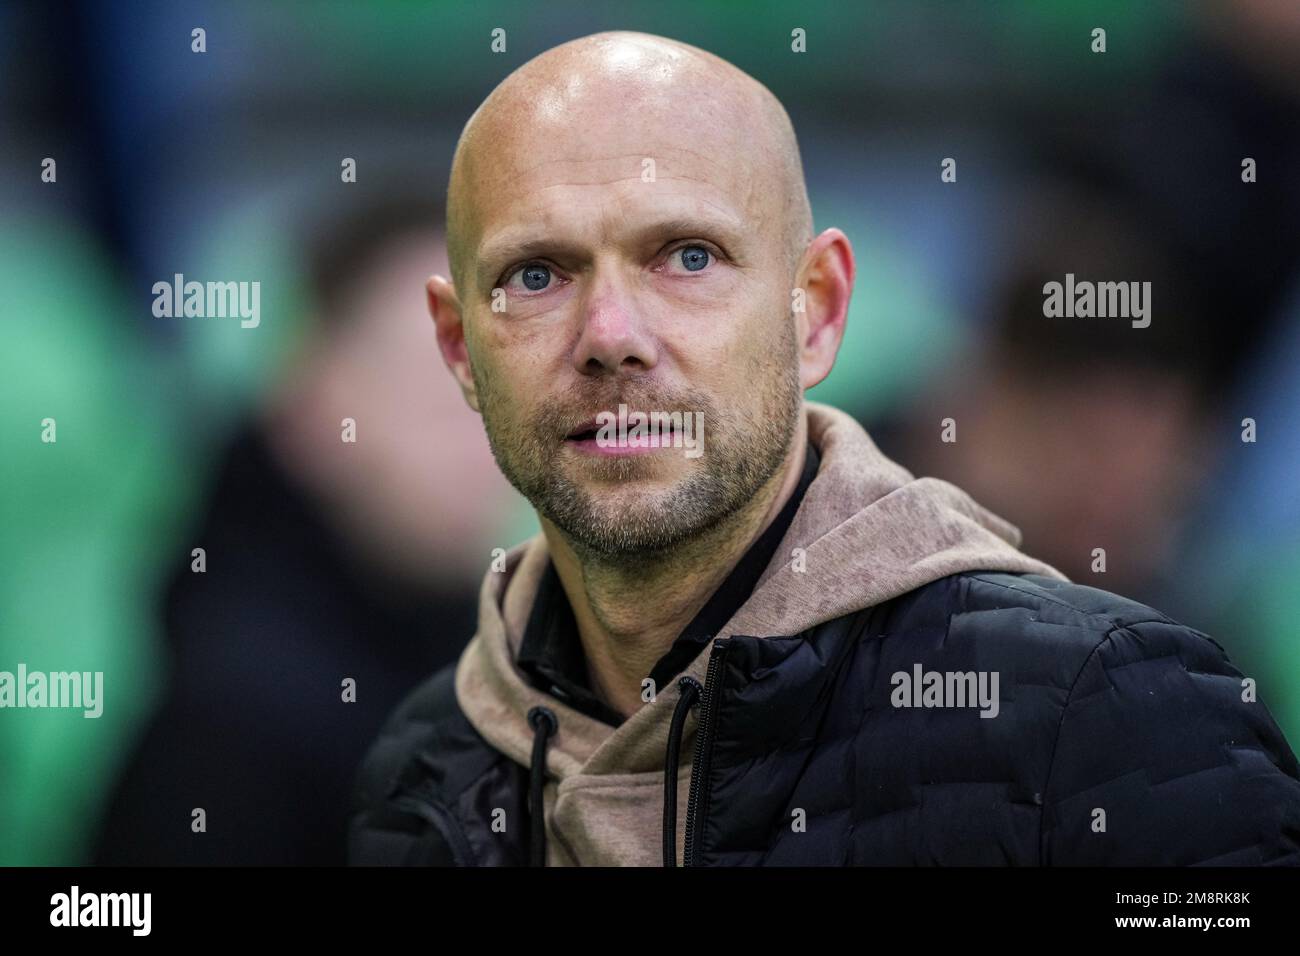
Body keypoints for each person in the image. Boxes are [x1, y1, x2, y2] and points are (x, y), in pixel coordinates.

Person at [348, 31, 1300, 866]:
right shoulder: (427, 763)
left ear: (819, 311)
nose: (610, 332)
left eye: (687, 257)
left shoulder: (1113, 716)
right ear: (460, 348)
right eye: (537, 273)